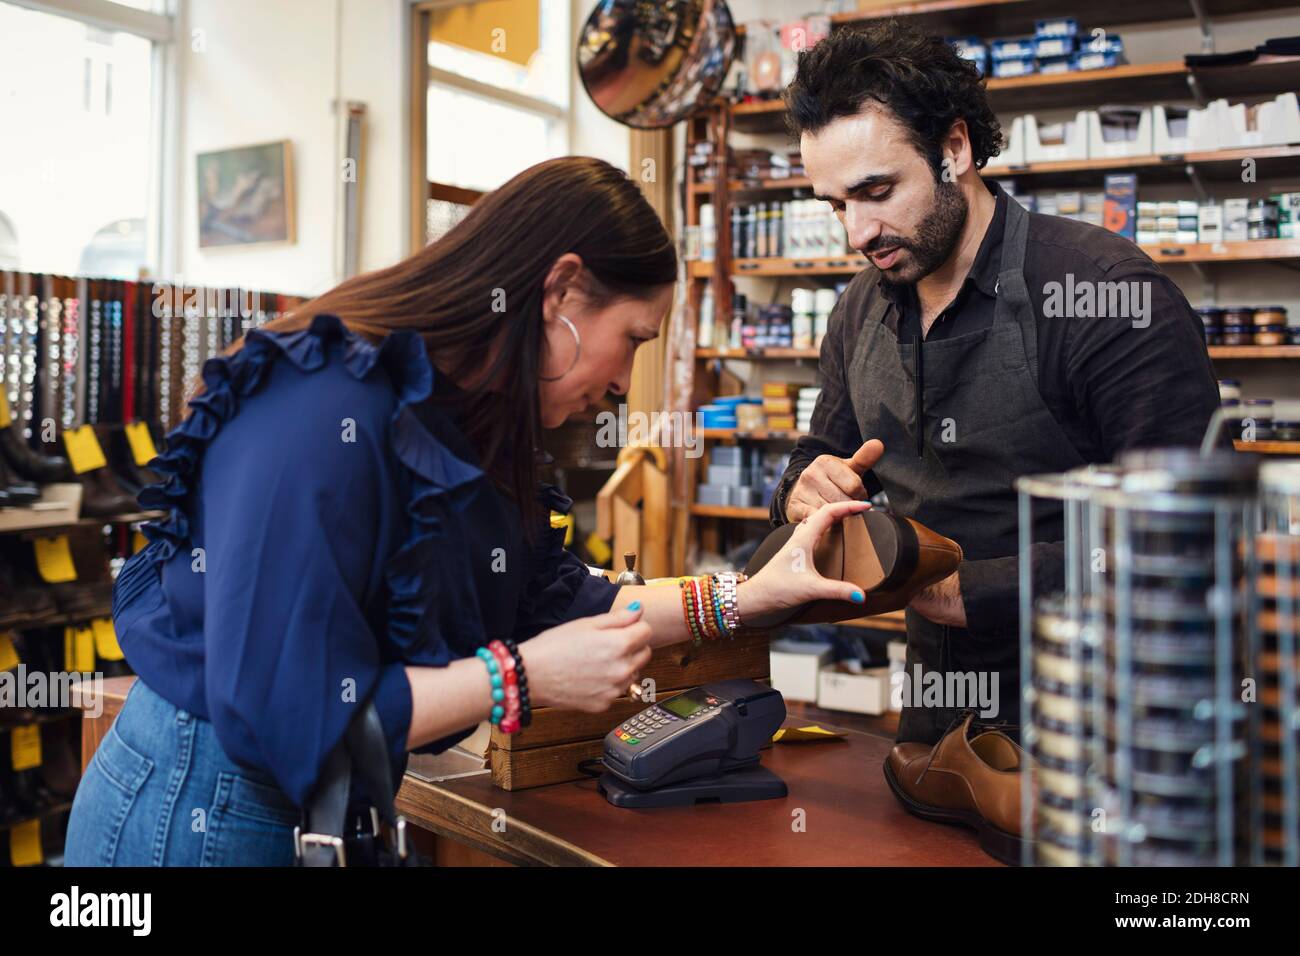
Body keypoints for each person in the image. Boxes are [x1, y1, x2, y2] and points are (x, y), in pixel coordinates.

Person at [65, 156, 869, 866]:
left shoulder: (473, 421)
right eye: (633, 338)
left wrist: (747, 596)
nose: (627, 380)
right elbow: (288, 711)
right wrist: (514, 678)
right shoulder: (327, 408)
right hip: (202, 810)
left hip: (322, 802)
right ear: (559, 292)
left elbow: (553, 597)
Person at [770, 24, 1222, 744]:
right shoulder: (859, 308)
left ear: (955, 151)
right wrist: (802, 489)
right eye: (836, 204)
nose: (857, 232)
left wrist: (972, 590)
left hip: (1102, 717)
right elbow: (817, 455)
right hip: (935, 706)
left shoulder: (1102, 294)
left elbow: (1188, 533)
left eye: (877, 191)